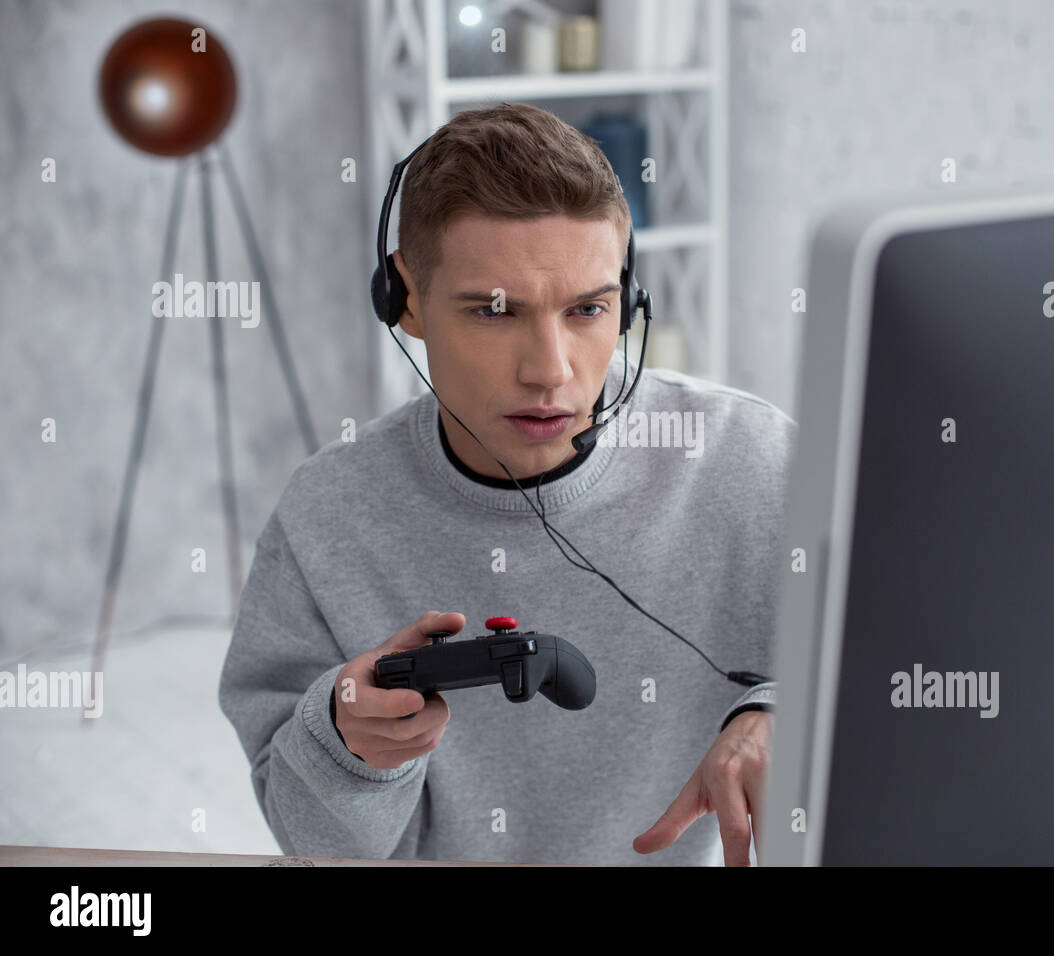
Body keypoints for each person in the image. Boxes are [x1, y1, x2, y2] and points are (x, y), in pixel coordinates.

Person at [218, 102, 793, 865]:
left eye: (589, 309)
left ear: (630, 302)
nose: (550, 370)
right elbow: (310, 840)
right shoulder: (326, 520)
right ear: (406, 300)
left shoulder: (752, 461)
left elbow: (895, 668)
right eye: (495, 311)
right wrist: (349, 748)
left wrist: (778, 713)